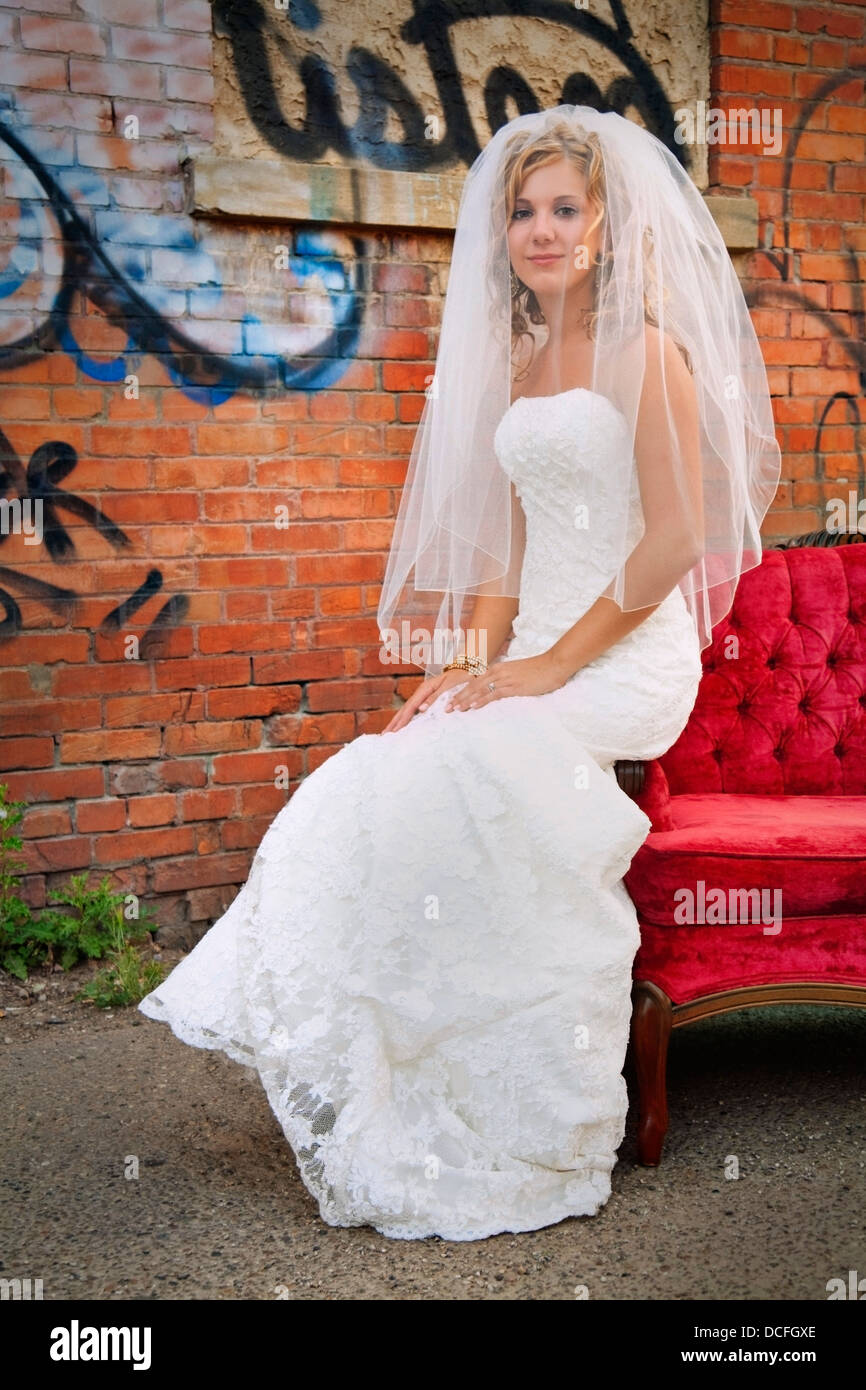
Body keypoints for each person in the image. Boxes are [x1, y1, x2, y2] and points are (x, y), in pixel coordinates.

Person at [138, 105, 781, 1242]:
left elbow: (676, 538)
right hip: (534, 648)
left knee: (478, 761)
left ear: (603, 226)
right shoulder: (528, 360)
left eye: (563, 209)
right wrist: (462, 667)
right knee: (388, 763)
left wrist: (544, 667)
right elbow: (508, 554)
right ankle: (411, 1067)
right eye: (521, 211)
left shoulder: (648, 353)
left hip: (623, 655)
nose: (539, 228)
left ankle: (544, 1108)